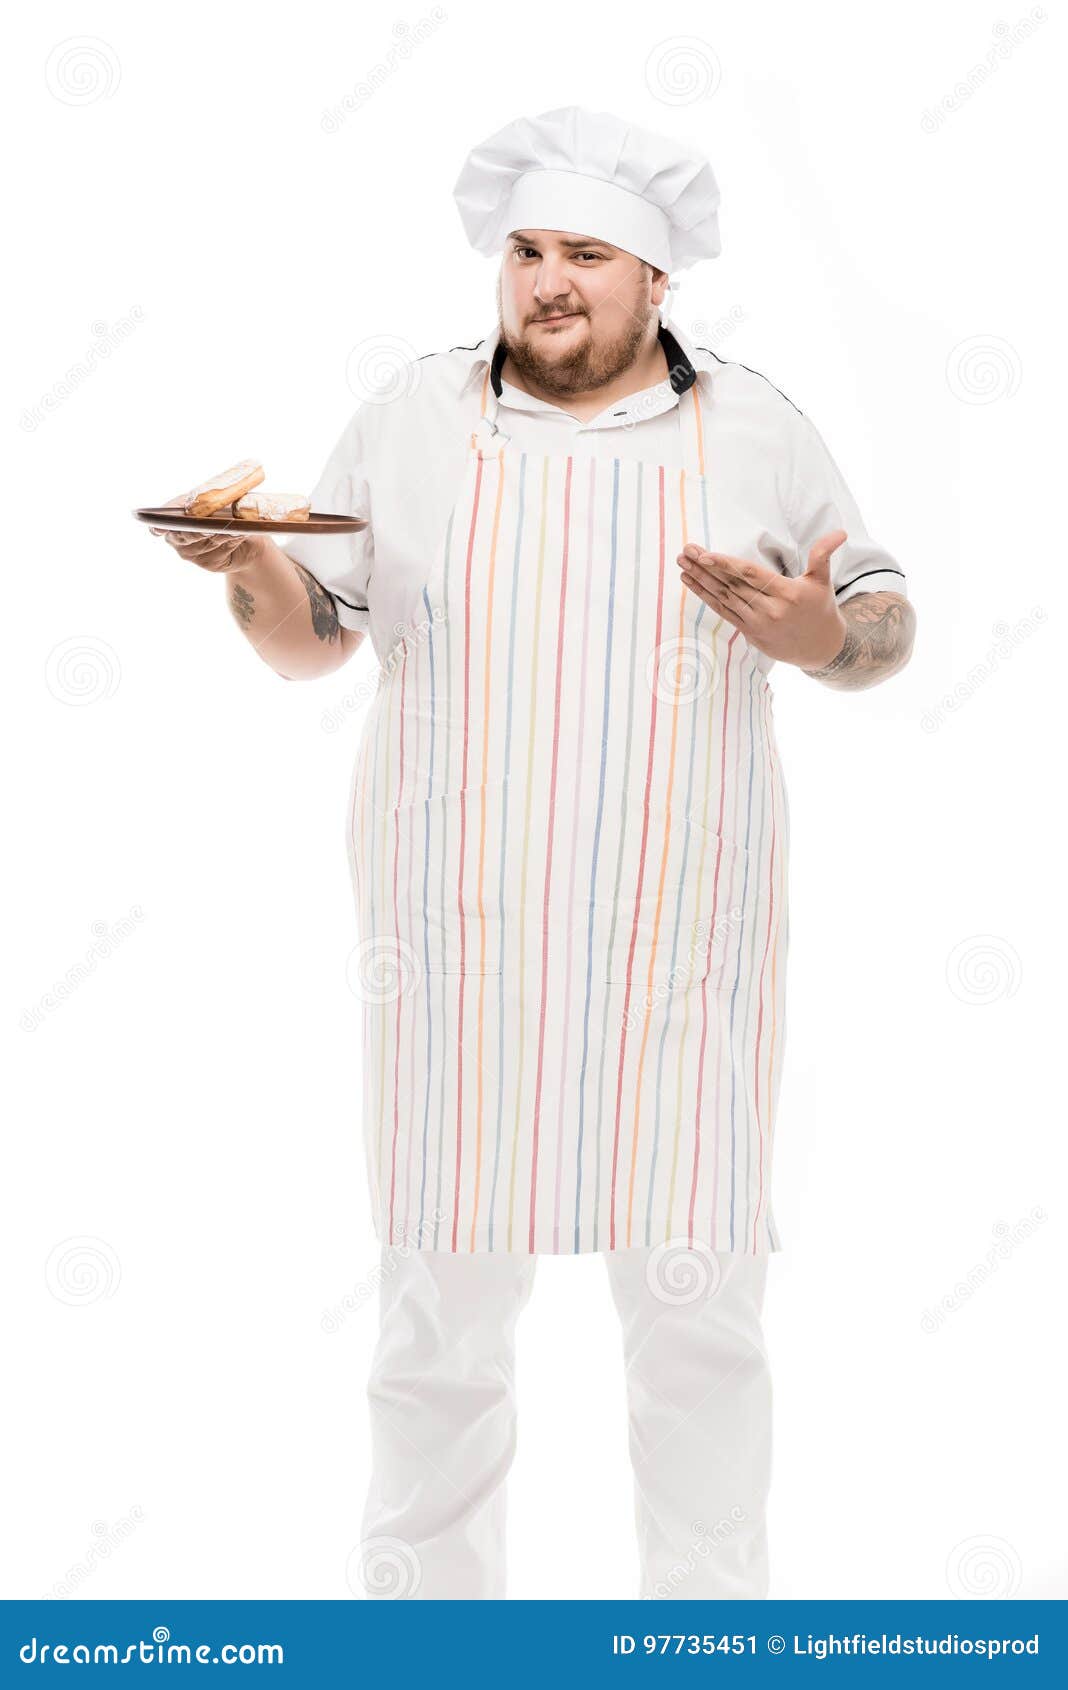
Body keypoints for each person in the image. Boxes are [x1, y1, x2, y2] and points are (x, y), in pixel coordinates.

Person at [149, 106, 916, 1600]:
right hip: (456, 945)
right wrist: (249, 564)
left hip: (679, 952)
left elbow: (879, 621)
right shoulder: (411, 419)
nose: (545, 280)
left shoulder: (756, 423)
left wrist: (825, 633)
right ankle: (429, 1639)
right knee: (437, 1320)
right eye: (525, 249)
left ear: (657, 279)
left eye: (585, 253)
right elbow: (319, 643)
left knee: (701, 1324)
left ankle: (708, 1634)